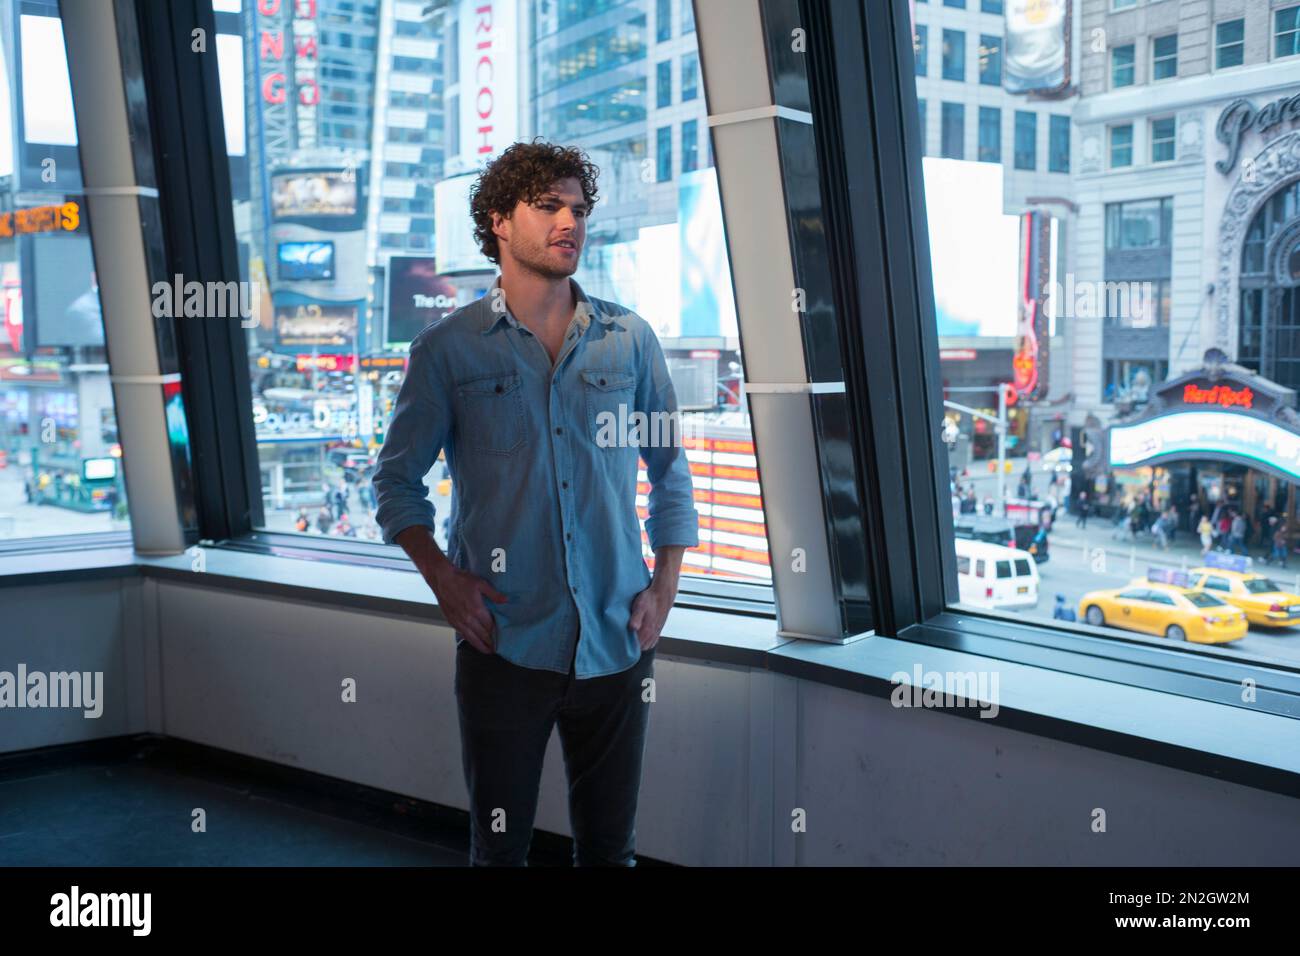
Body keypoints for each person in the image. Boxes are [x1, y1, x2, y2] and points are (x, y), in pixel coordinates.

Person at [371, 141, 698, 868]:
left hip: (618, 642)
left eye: (578, 208)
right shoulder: (448, 351)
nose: (569, 221)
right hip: (504, 646)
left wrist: (665, 586)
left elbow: (671, 468)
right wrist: (444, 580)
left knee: (612, 855)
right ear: (498, 221)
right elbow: (395, 483)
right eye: (548, 205)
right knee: (499, 854)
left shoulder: (630, 342)